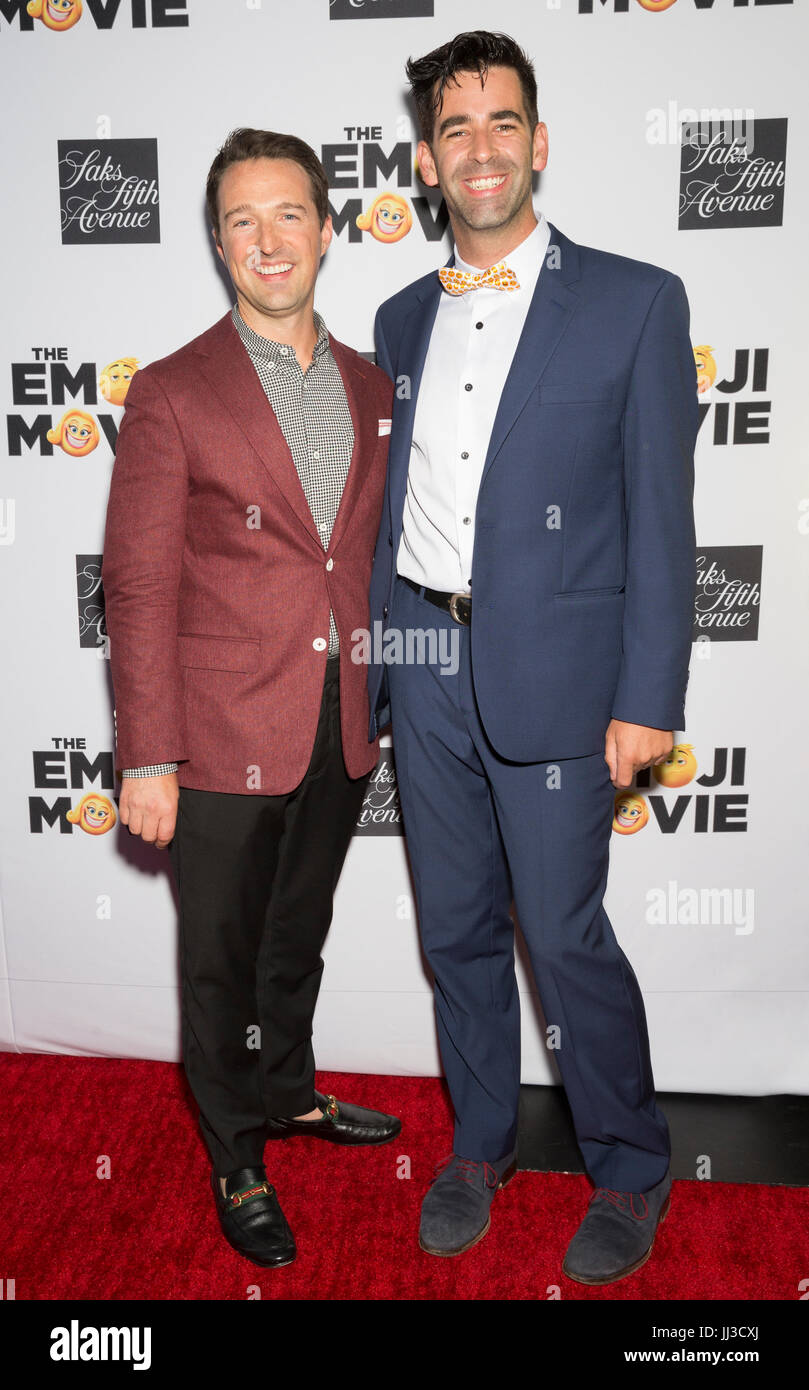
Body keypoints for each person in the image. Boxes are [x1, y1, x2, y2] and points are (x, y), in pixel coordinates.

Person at [367, 32, 698, 1284]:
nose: (481, 149)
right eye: (455, 130)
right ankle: (476, 1144)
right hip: (424, 665)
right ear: (425, 159)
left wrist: (646, 694)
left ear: (538, 142)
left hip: (561, 678)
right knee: (453, 929)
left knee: (561, 937)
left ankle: (627, 1164)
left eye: (502, 123)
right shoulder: (402, 316)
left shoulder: (634, 299)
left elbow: (660, 517)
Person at [102, 128, 400, 1271]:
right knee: (218, 962)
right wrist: (146, 754)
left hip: (337, 722)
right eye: (242, 220)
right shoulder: (174, 391)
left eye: (289, 214)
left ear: (327, 230)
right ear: (219, 244)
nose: (268, 239)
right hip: (217, 736)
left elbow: (363, 556)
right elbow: (138, 582)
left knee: (295, 939)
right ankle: (235, 1154)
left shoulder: (374, 383)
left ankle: (288, 1093)